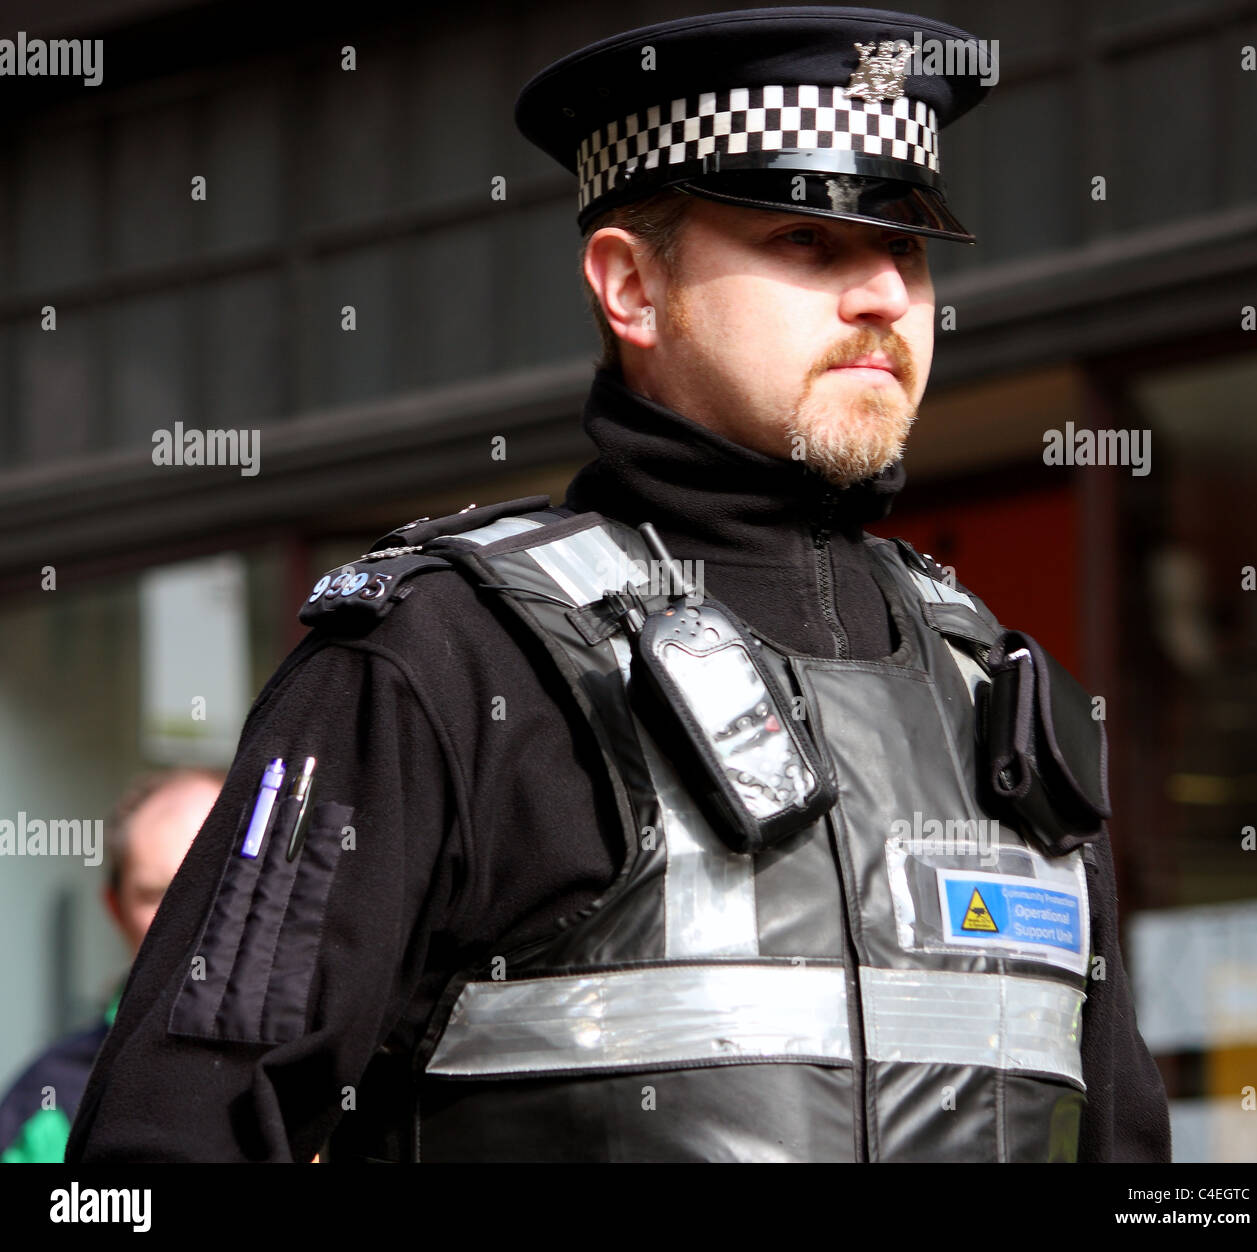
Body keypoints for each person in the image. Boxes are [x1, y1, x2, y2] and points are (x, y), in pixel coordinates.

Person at [67, 7, 1171, 1163]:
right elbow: (158, 1158)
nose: (882, 298)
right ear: (630, 289)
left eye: (903, 249)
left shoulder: (997, 703)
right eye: (808, 242)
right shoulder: (434, 663)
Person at [0, 768, 221, 1162]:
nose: (187, 918)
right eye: (157, 894)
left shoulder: (333, 1062)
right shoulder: (48, 1106)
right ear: (115, 909)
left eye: (216, 884)